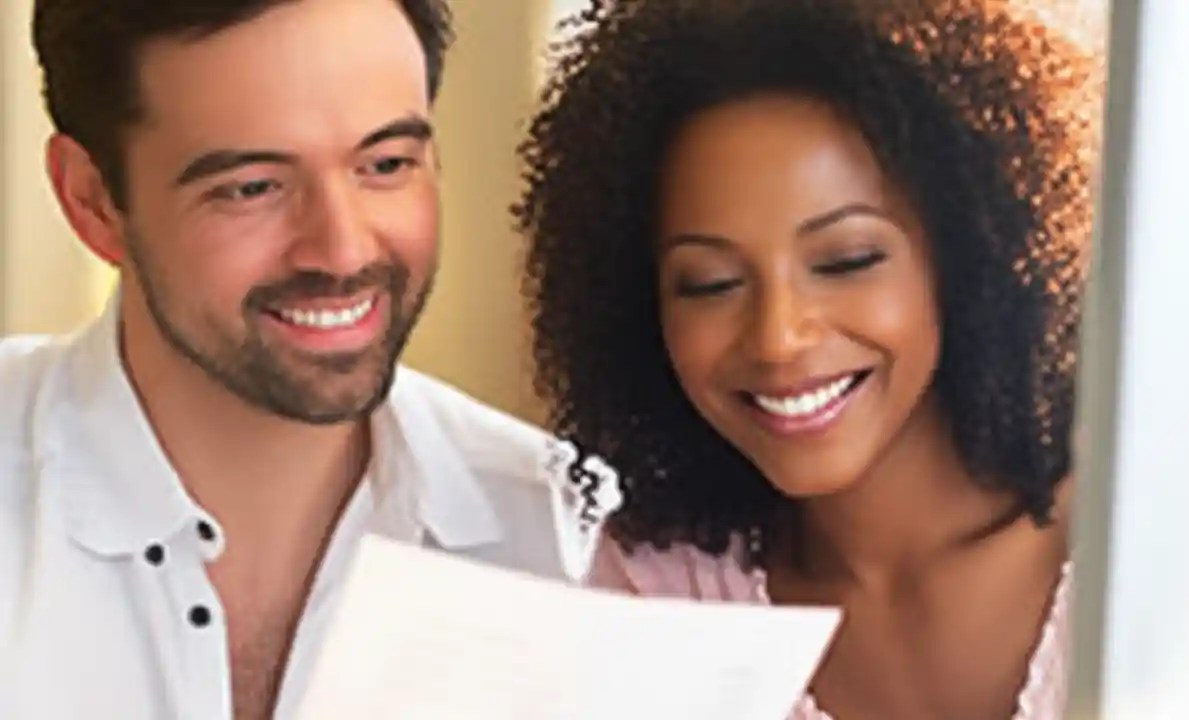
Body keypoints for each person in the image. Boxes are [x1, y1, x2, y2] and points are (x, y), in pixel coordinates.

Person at [0, 0, 617, 718]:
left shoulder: (566, 542)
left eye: (385, 165)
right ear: (93, 201)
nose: (343, 250)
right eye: (252, 187)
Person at [517, 0, 1101, 718]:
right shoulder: (650, 598)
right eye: (711, 284)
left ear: (973, 255)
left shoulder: (1143, 553)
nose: (777, 338)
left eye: (847, 261)